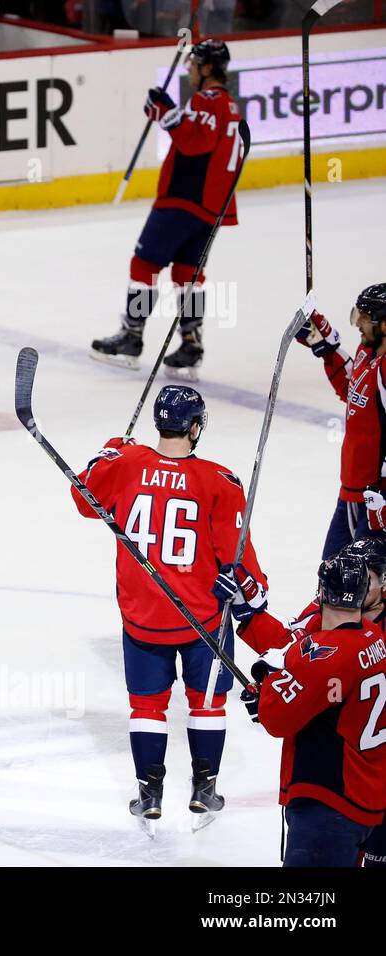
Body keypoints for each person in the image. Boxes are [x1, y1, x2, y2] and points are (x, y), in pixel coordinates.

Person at [73, 384, 264, 833]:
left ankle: (150, 794)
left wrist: (106, 453)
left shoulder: (125, 465)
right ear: (195, 428)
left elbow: (84, 500)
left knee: (146, 706)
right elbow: (236, 557)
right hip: (203, 620)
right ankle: (204, 789)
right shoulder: (220, 480)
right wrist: (252, 591)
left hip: (143, 616)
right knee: (207, 703)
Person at [218, 553, 386, 867]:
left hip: (328, 802)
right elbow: (309, 659)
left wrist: (270, 686)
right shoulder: (374, 637)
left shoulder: (326, 659)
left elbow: (275, 718)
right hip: (364, 798)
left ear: (321, 592)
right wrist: (252, 616)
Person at [91, 39, 242, 379]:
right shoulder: (230, 105)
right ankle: (191, 342)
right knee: (188, 274)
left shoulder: (208, 100)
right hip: (211, 209)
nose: (188, 69)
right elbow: (200, 136)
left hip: (183, 200)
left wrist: (169, 114)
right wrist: (168, 115)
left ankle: (131, 336)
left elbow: (196, 142)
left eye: (193, 65)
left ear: (207, 69)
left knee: (144, 265)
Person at [295, 284, 386, 558]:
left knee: (369, 588)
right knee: (332, 578)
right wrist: (325, 346)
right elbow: (353, 389)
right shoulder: (367, 351)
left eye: (366, 316)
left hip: (376, 498)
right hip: (351, 491)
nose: (358, 322)